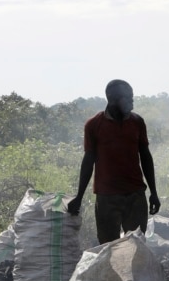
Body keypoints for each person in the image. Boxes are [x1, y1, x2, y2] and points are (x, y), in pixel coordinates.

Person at [67, 79, 161, 243]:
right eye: (127, 98)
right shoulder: (94, 125)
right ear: (112, 100)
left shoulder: (137, 122)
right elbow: (88, 161)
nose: (132, 102)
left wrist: (153, 192)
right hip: (107, 198)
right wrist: (79, 196)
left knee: (136, 245)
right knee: (108, 246)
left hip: (135, 195)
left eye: (132, 97)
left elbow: (145, 157)